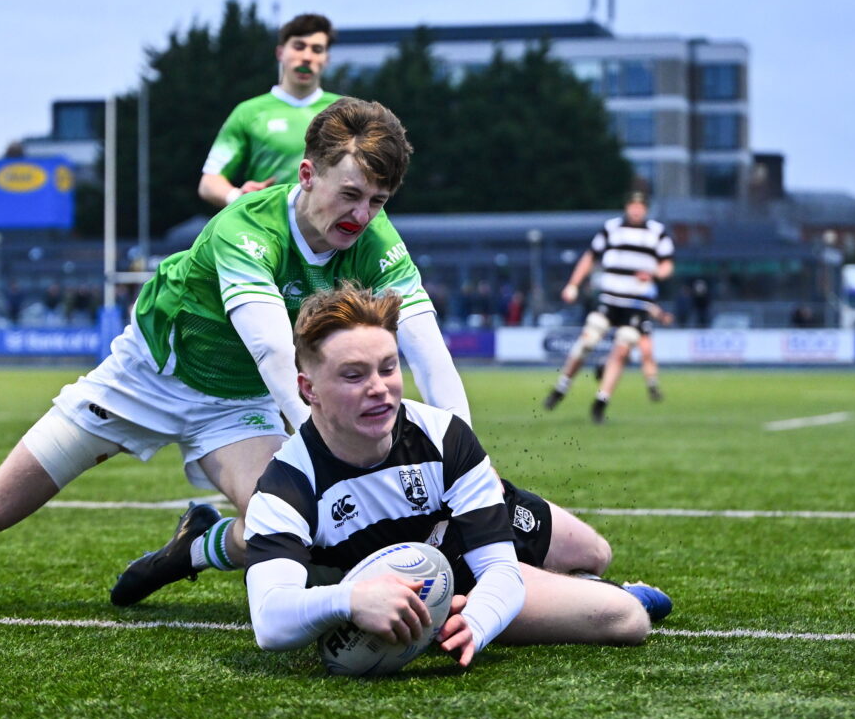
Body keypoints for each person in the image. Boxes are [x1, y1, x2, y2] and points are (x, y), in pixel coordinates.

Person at [0, 99, 470, 611]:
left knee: (295, 524)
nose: (360, 216)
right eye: (350, 194)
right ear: (306, 172)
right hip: (146, 379)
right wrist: (325, 457)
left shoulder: (377, 241)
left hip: (234, 407)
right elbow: (270, 349)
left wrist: (467, 466)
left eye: (377, 201)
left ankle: (194, 547)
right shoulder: (244, 229)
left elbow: (429, 351)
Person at [245, 283, 671, 667]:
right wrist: (353, 599)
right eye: (353, 375)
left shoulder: (443, 435)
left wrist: (479, 622)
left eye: (388, 368)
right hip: (445, 577)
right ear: (308, 389)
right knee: (626, 618)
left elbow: (500, 571)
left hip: (464, 528)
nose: (378, 388)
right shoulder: (287, 485)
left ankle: (575, 584)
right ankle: (605, 593)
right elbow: (270, 620)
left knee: (594, 552)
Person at [543, 191, 674, 423]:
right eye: (632, 205)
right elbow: (589, 257)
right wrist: (573, 284)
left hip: (637, 303)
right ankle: (561, 387)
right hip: (610, 298)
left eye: (640, 206)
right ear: (626, 206)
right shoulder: (611, 228)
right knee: (587, 341)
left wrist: (653, 273)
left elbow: (667, 266)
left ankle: (600, 402)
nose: (636, 210)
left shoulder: (657, 232)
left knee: (622, 350)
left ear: (646, 209)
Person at [198, 13, 340, 209]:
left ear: (326, 59)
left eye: (317, 50)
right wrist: (237, 196)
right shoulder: (248, 112)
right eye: (299, 47)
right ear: (280, 53)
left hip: (330, 232)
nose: (307, 57)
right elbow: (209, 182)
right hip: (268, 230)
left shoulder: (345, 111)